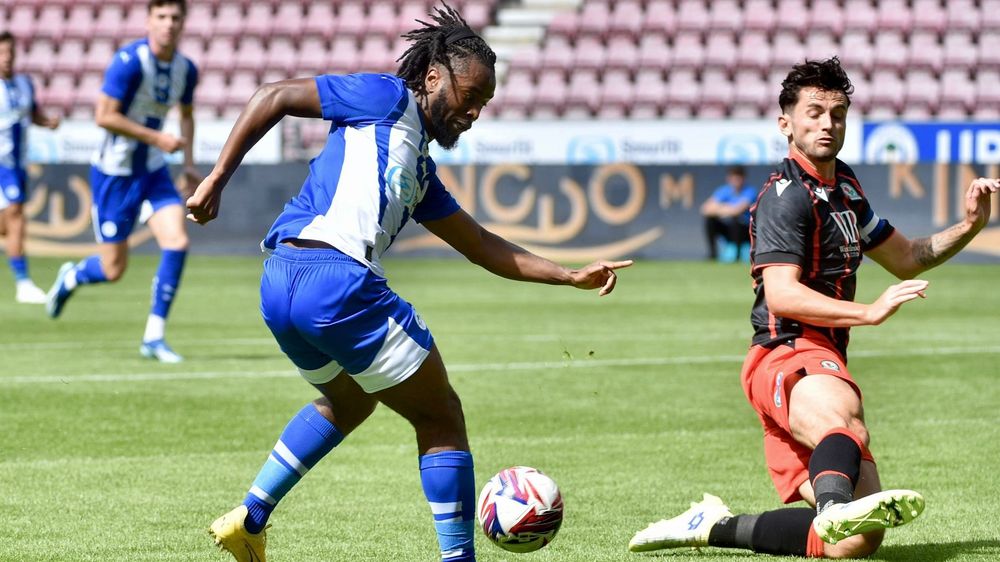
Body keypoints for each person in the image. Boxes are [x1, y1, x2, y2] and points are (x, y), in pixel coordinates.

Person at [185, 5, 631, 562]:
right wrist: (216, 178)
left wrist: (568, 275)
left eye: (484, 104)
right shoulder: (383, 98)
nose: (473, 113)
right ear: (432, 77)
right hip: (336, 280)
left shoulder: (420, 171)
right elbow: (274, 95)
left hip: (282, 284)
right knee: (441, 416)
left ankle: (249, 519)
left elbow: (485, 247)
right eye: (470, 96)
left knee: (347, 402)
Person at [629, 57, 998, 558]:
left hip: (820, 354)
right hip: (786, 350)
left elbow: (907, 258)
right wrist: (867, 312)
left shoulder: (844, 186)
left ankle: (712, 525)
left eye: (838, 113)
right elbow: (782, 294)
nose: (828, 123)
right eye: (815, 112)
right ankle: (830, 508)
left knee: (858, 542)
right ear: (786, 123)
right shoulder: (786, 196)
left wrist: (970, 226)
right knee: (842, 423)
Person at [46, 0, 201, 363]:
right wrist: (157, 139)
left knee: (177, 241)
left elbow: (188, 115)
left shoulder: (186, 69)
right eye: (161, 17)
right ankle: (72, 277)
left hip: (153, 171)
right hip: (114, 174)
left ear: (183, 23)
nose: (168, 24)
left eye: (175, 18)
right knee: (114, 269)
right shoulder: (129, 62)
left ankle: (154, 337)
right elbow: (103, 116)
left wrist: (190, 164)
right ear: (149, 20)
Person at [0, 31, 60, 303]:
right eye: (2, 53)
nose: (7, 58)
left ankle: (22, 279)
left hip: (19, 163)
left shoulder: (25, 84)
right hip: (2, 164)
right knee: (15, 215)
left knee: (10, 222)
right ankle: (23, 283)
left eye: (10, 53)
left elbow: (32, 113)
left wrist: (47, 122)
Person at [700, 164, 756, 262]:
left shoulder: (750, 191)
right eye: (733, 178)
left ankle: (737, 257)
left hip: (745, 231)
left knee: (737, 221)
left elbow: (737, 211)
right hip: (728, 229)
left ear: (743, 178)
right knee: (710, 220)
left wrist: (719, 208)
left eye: (738, 178)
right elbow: (705, 209)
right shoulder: (724, 191)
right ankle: (712, 254)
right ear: (729, 178)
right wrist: (728, 209)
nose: (736, 181)